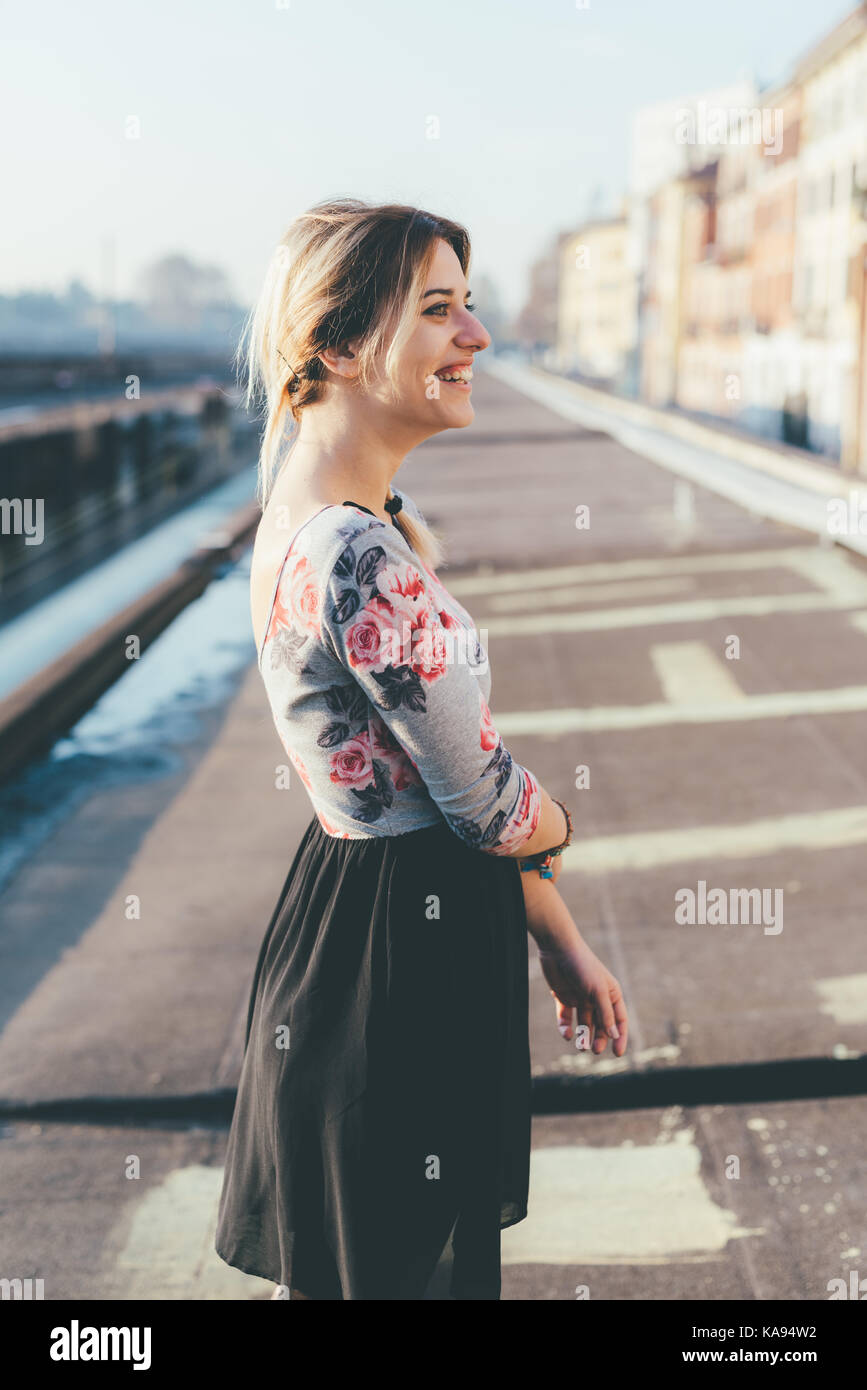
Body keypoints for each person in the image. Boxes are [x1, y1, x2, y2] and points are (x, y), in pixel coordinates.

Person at [214, 199, 628, 1301]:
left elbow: (425, 783)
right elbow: (489, 805)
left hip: (350, 927)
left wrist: (556, 937)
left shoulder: (307, 518)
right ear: (340, 348)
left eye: (471, 306)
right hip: (402, 964)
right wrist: (564, 830)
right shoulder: (363, 556)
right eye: (440, 311)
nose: (477, 338)